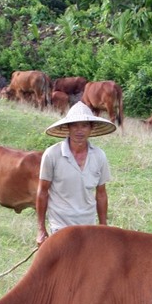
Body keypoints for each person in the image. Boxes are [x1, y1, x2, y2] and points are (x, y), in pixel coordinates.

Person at [36, 101, 116, 246]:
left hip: (88, 225)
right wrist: (41, 229)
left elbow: (101, 194)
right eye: (75, 125)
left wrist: (103, 227)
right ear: (68, 127)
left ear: (91, 128)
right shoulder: (52, 154)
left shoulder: (99, 156)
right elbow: (42, 192)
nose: (80, 131)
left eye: (84, 126)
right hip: (60, 226)